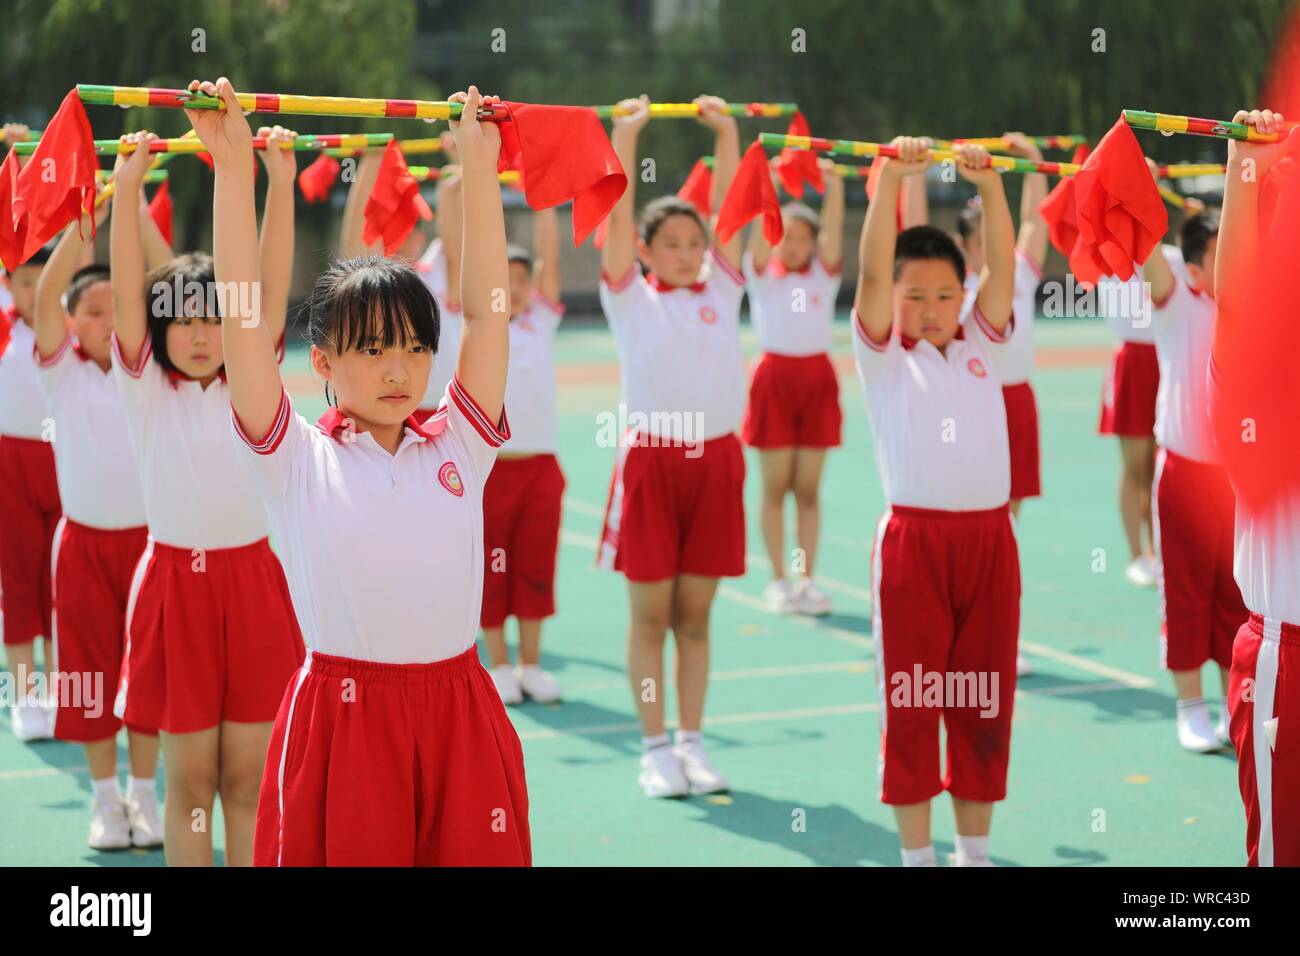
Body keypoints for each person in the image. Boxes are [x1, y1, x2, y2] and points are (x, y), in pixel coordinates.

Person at [187, 77, 529, 865]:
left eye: (413, 346)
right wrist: (233, 173)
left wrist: (480, 169)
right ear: (326, 361)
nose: (398, 368)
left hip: (461, 709)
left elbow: (487, 314)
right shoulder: (295, 458)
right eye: (372, 349)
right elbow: (245, 323)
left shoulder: (458, 443)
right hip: (346, 720)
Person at [108, 126, 305, 867]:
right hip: (174, 590)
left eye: (213, 317)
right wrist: (127, 189)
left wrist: (279, 182)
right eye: (182, 319)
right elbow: (130, 291)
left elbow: (270, 279)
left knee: (248, 781)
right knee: (188, 786)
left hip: (254, 582)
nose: (198, 333)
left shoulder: (250, 382)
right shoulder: (147, 392)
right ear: (159, 331)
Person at [852, 137, 1020, 867]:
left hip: (990, 545)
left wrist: (991, 187)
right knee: (914, 703)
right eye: (913, 295)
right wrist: (890, 173)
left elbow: (1005, 268)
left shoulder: (984, 337)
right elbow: (867, 272)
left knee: (982, 700)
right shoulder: (885, 358)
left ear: (965, 295)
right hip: (914, 551)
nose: (930, 309)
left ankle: (972, 854)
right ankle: (918, 858)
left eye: (945, 295)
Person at [597, 94, 746, 798]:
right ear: (649, 253)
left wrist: (726, 134)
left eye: (697, 242)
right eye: (673, 245)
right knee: (650, 617)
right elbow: (617, 217)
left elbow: (737, 217)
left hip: (717, 460)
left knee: (695, 616)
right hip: (654, 461)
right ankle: (653, 747)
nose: (688, 254)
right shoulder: (632, 298)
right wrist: (627, 137)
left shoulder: (726, 287)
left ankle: (693, 741)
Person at [743, 157, 845, 616]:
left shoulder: (824, 275)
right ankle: (778, 580)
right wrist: (763, 179)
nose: (796, 245)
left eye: (805, 238)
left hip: (817, 381)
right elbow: (759, 236)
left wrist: (836, 183)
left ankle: (806, 579)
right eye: (786, 236)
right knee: (775, 487)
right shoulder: (763, 277)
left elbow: (835, 229)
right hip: (774, 380)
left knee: (807, 490)